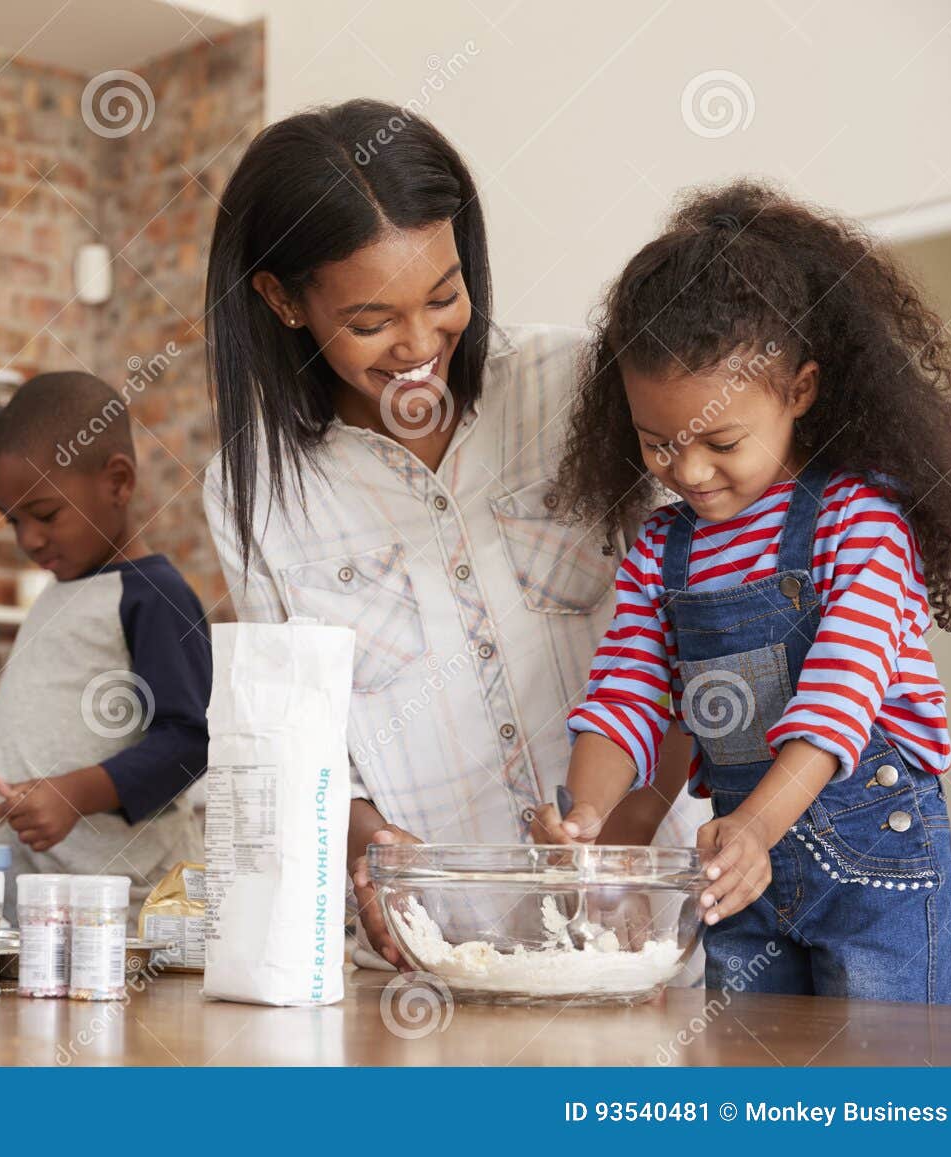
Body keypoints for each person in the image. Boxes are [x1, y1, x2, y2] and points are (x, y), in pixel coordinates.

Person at [200, 99, 711, 969]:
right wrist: (369, 853)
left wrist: (625, 838)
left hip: (645, 936)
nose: (419, 343)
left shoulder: (576, 385)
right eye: (371, 323)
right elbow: (301, 738)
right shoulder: (257, 495)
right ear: (283, 301)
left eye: (444, 297)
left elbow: (700, 621)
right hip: (441, 957)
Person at [534, 181, 951, 1003]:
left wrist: (756, 823)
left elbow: (839, 697)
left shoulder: (858, 522)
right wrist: (586, 825)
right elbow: (625, 698)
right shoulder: (660, 552)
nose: (689, 471)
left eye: (721, 441)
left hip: (875, 866)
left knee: (888, 1107)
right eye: (657, 444)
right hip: (738, 870)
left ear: (800, 391)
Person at [0, 372, 208, 904]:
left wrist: (74, 795)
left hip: (124, 909)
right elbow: (57, 728)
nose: (28, 538)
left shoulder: (153, 596)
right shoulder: (57, 593)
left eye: (44, 515)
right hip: (40, 901)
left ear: (117, 482)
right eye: (11, 520)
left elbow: (187, 742)